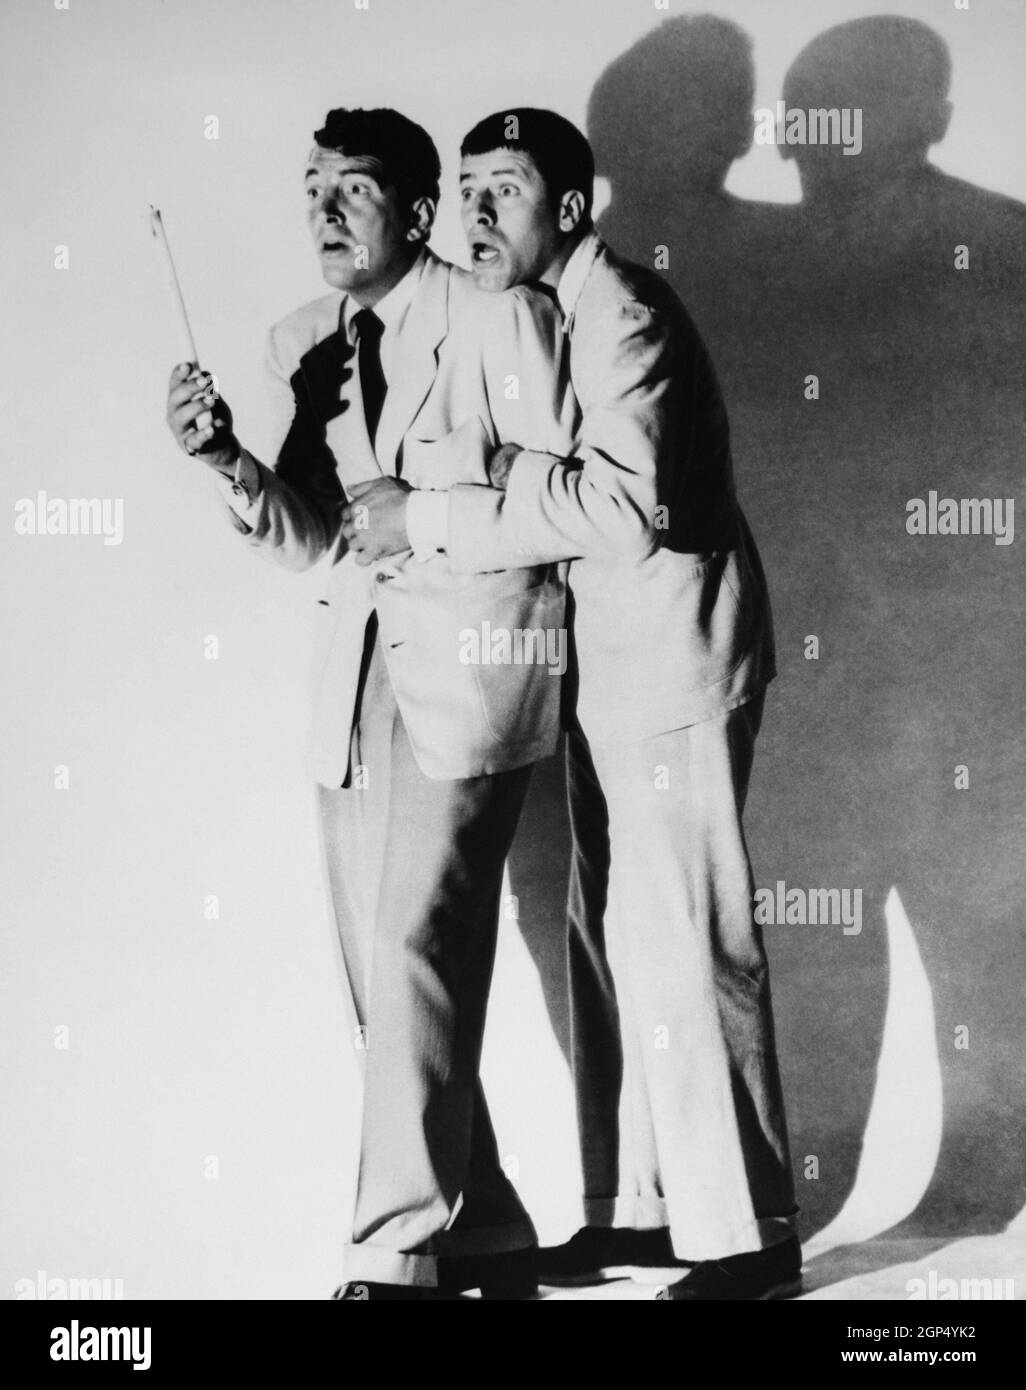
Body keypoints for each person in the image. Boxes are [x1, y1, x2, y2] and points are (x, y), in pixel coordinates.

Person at [353, 108, 801, 1300]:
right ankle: (644, 1209)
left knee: (689, 931)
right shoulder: (555, 314)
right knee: (611, 932)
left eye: (503, 187)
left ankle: (749, 1232)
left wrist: (439, 509)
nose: (474, 211)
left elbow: (621, 510)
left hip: (673, 663)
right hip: (608, 669)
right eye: (465, 188)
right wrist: (500, 475)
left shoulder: (622, 313)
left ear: (569, 206)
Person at [164, 106, 576, 1301]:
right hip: (354, 683)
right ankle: (487, 1230)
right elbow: (313, 543)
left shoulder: (502, 316)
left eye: (352, 189)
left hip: (476, 670)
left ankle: (393, 1258)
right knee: (378, 976)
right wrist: (230, 462)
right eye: (312, 191)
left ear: (417, 209)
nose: (326, 213)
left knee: (412, 949)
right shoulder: (303, 340)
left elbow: (563, 501)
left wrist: (426, 512)